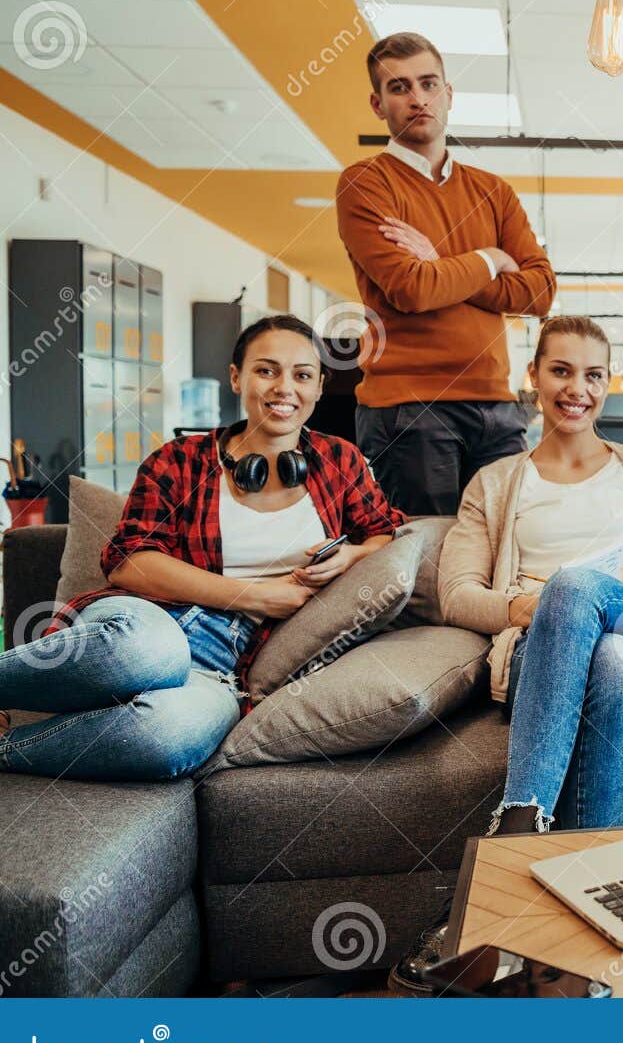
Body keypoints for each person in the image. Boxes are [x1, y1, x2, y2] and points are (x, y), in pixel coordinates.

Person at [388, 316, 623, 992]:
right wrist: (521, 607)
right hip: (557, 651)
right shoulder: (494, 482)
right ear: (534, 379)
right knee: (612, 667)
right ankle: (584, 950)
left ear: (607, 384)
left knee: (594, 607)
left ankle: (515, 836)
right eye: (562, 371)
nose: (578, 388)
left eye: (593, 374)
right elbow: (457, 593)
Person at [0, 316, 406, 781]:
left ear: (317, 388)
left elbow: (388, 531)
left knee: (168, 738)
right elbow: (127, 562)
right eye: (266, 370)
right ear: (237, 377)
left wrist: (352, 555)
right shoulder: (179, 460)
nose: (285, 388)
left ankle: (9, 749)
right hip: (148, 621)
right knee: (149, 654)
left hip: (224, 666)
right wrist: (254, 596)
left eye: (302, 375)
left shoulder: (340, 460)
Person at [337, 30, 557, 515]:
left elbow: (540, 292)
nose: (417, 98)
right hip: (408, 410)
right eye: (399, 88)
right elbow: (411, 289)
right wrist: (487, 260)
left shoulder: (493, 191)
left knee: (504, 549)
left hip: (497, 408)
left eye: (428, 83)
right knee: (427, 564)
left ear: (449, 94)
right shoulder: (364, 183)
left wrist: (439, 264)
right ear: (378, 104)